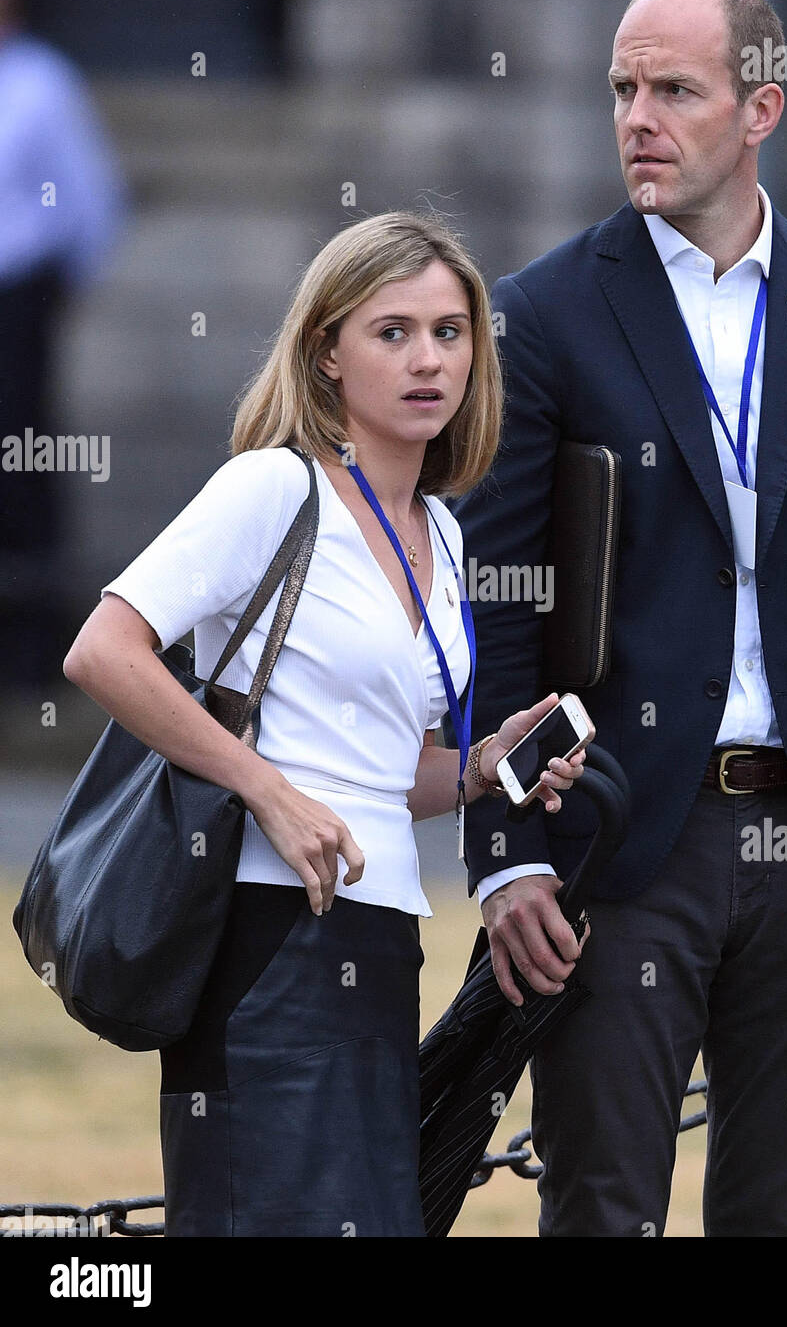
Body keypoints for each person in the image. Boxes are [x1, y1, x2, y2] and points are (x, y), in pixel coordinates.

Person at [449, 0, 787, 1237]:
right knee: (602, 1207)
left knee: (782, 1216)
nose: (637, 116)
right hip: (623, 841)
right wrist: (509, 855)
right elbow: (494, 610)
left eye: (673, 90)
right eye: (622, 88)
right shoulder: (542, 313)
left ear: (760, 109)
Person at [62, 210, 587, 1237]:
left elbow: (379, 772)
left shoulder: (441, 527)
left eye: (448, 331)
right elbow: (102, 651)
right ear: (327, 354)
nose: (427, 358)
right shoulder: (273, 487)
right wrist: (267, 789)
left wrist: (477, 771)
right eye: (391, 332)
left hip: (380, 936)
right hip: (265, 934)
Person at [0, 0, 124, 690]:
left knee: (21, 465)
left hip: (15, 301)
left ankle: (30, 650)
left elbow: (89, 199)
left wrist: (55, 292)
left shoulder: (41, 82)